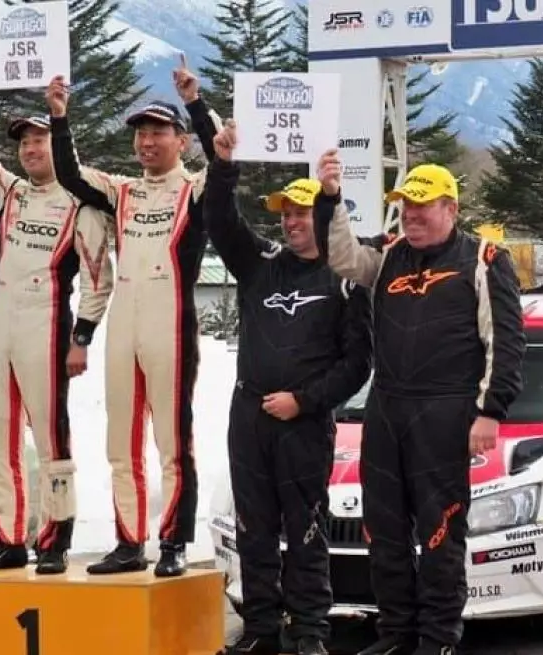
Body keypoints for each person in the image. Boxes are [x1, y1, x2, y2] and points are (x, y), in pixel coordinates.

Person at [312, 153, 527, 655]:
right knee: (383, 530)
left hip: (446, 411)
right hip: (387, 411)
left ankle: (438, 639)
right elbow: (342, 257)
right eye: (404, 205)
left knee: (439, 533)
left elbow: (506, 342)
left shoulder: (484, 260)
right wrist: (329, 199)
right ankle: (396, 634)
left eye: (421, 206)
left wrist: (491, 411)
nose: (410, 214)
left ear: (450, 208)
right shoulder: (387, 253)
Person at [45, 57, 220, 577]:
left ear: (180, 142)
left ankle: (173, 543)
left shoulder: (196, 188)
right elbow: (72, 175)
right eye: (141, 134)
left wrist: (194, 99)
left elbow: (225, 158)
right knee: (119, 441)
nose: (147, 142)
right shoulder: (122, 190)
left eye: (158, 133)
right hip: (124, 324)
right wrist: (59, 117)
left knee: (172, 441)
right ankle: (128, 541)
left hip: (171, 323)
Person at [205, 120, 372, 655]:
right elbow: (221, 224)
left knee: (305, 529)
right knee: (254, 527)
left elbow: (357, 365)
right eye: (286, 214)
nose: (292, 222)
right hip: (249, 415)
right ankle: (259, 630)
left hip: (303, 422)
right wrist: (223, 167)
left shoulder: (344, 280)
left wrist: (303, 400)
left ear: (320, 218)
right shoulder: (260, 268)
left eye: (301, 212)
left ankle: (309, 633)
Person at [0, 62, 115, 574]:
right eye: (23, 143)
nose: (28, 150)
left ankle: (55, 537)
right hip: (1, 319)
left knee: (50, 436)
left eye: (39, 141)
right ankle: (8, 537)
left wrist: (81, 337)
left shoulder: (81, 203)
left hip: (46, 322)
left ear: (56, 147)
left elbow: (98, 278)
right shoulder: (12, 192)